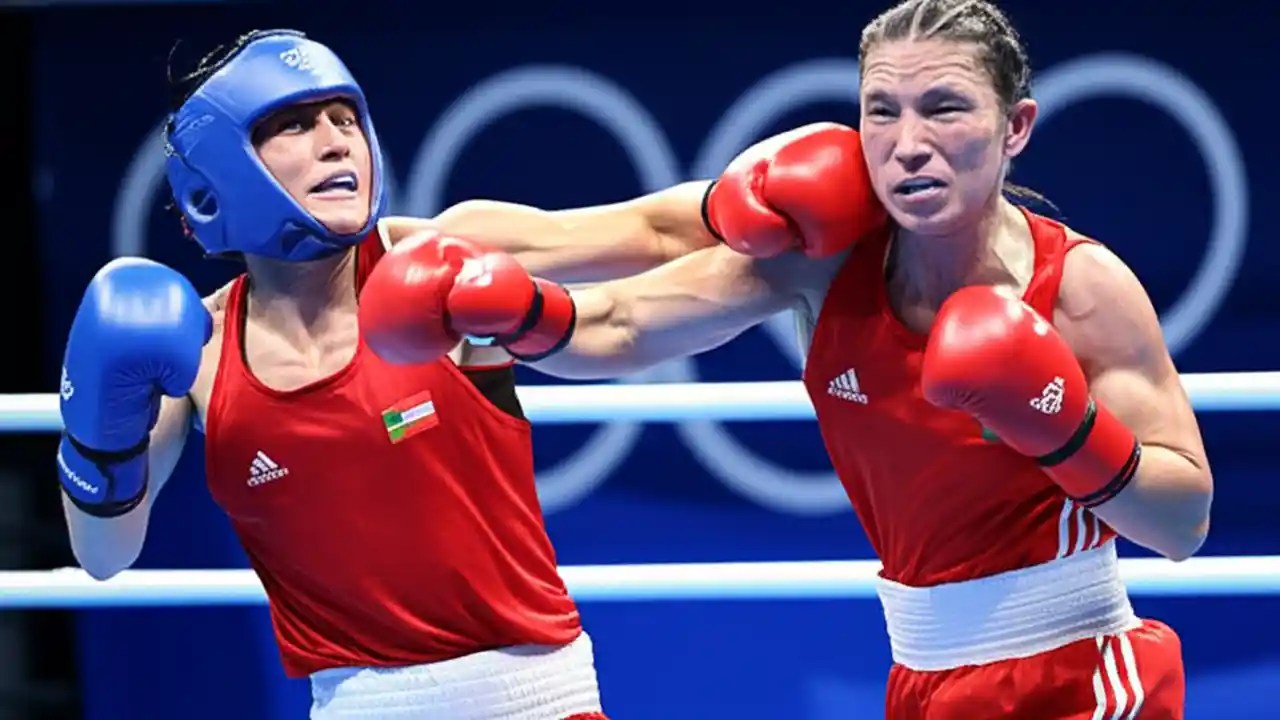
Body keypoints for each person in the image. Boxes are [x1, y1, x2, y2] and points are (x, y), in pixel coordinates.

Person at [359, 1, 1214, 717]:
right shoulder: (823, 260)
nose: (907, 142)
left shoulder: (1081, 287)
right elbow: (622, 325)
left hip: (1082, 672)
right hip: (924, 678)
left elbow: (1183, 526)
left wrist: (1062, 429)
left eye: (945, 108)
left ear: (1015, 126)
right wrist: (517, 312)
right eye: (882, 111)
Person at [51, 28, 794, 719]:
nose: (335, 143)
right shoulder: (200, 354)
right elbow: (105, 557)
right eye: (295, 125)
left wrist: (780, 197)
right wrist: (99, 436)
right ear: (212, 183)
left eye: (345, 119)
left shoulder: (444, 258)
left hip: (536, 699)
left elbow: (649, 230)